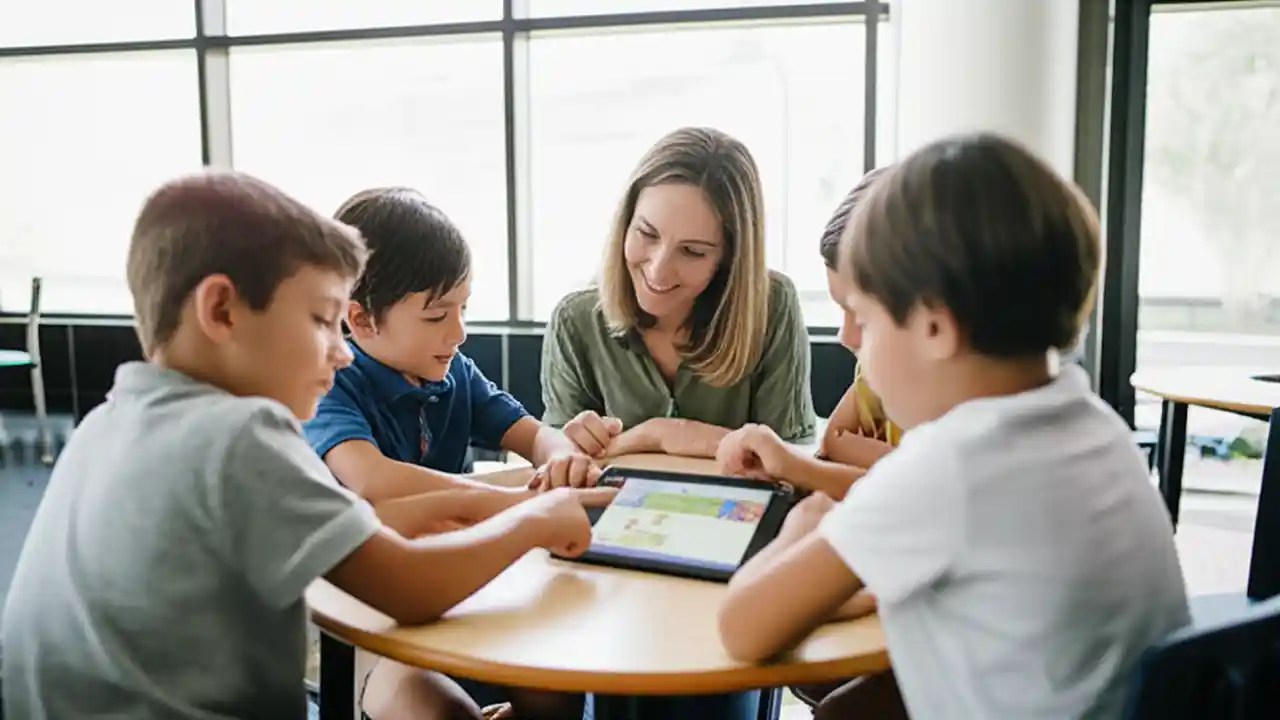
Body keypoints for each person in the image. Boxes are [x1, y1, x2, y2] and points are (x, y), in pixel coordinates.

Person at [1, 171, 602, 720]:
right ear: (222, 310)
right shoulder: (237, 436)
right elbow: (411, 588)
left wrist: (480, 505)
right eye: (321, 320)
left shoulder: (107, 424)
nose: (340, 350)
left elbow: (366, 519)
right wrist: (533, 518)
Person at [718, 134, 1190, 719]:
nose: (851, 341)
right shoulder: (1096, 428)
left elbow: (742, 628)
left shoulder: (947, 466)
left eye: (865, 317)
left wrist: (803, 529)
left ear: (935, 329)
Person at [305, 187, 597, 719]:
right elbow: (371, 480)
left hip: (466, 596)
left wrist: (560, 456)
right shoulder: (330, 383)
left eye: (463, 309)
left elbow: (534, 435)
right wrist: (499, 503)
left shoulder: (453, 371)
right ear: (362, 319)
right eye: (437, 315)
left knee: (556, 691)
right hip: (375, 627)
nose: (459, 333)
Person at [540, 126, 815, 474]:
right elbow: (559, 470)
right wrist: (648, 435)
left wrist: (664, 434)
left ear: (729, 258)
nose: (658, 270)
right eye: (646, 233)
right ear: (626, 222)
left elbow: (794, 466)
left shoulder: (773, 307)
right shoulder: (575, 320)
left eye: (692, 252)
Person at [718, 167, 899, 501]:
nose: (845, 337)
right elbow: (834, 442)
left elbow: (913, 490)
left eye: (862, 316)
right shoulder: (874, 377)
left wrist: (799, 468)